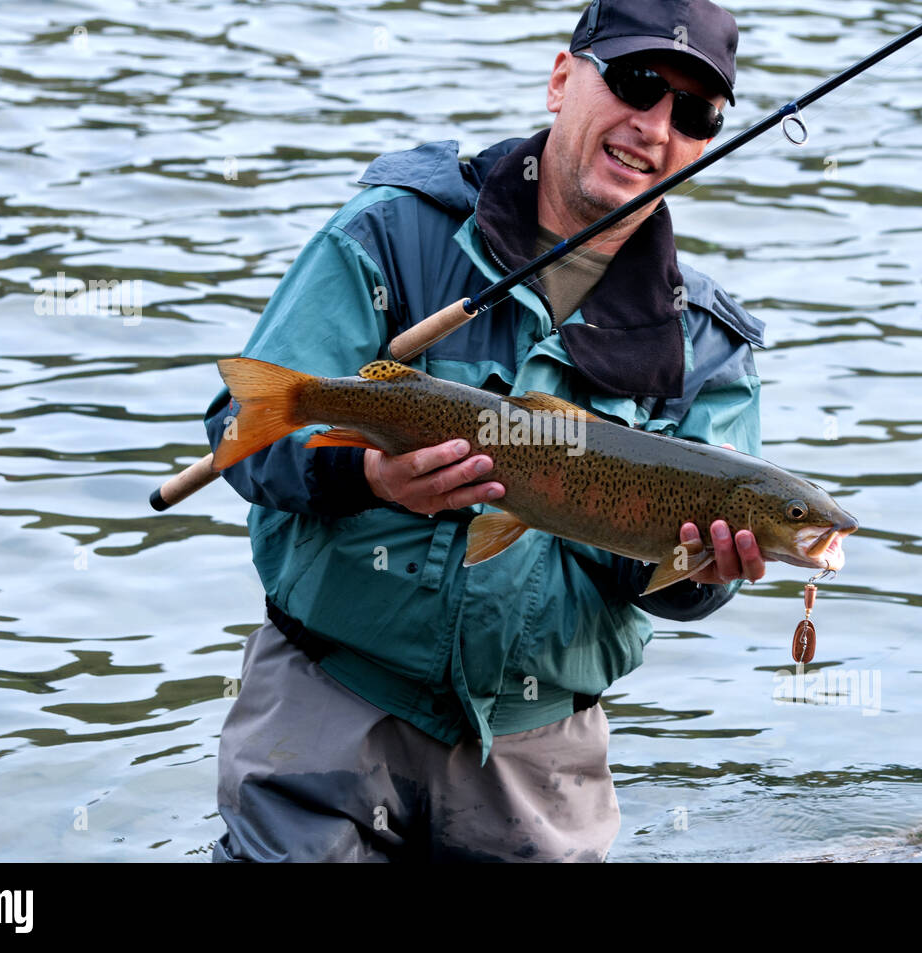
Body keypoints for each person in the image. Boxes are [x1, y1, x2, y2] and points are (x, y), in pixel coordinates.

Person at [205, 0, 768, 862]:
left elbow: (668, 588)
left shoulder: (709, 346)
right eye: (637, 82)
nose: (654, 127)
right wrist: (366, 476)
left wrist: (702, 572)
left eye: (693, 113)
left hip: (539, 750)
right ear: (559, 80)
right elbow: (241, 430)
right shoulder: (391, 232)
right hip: (328, 704)